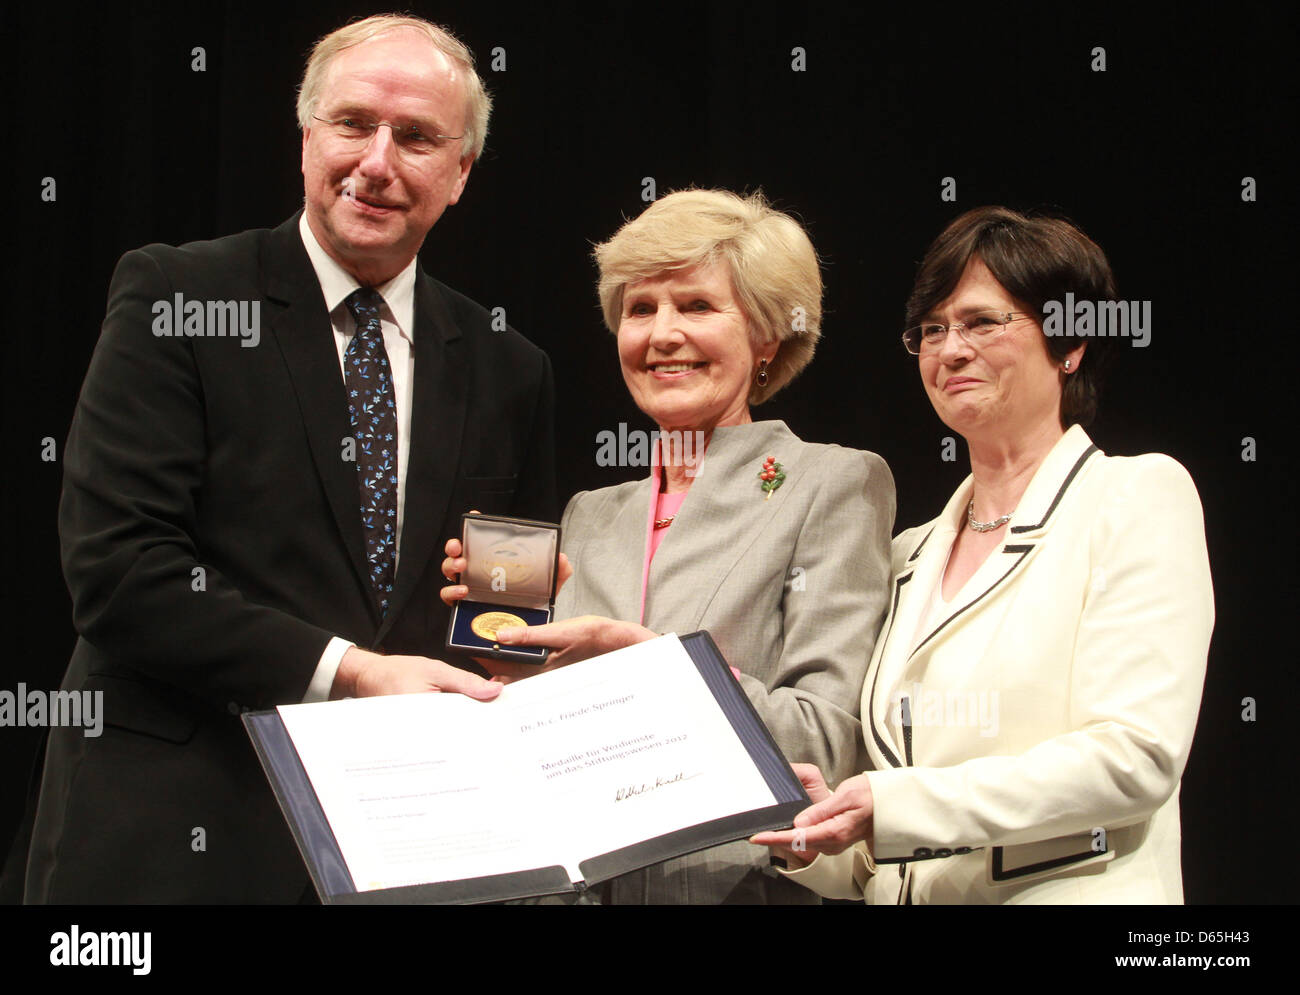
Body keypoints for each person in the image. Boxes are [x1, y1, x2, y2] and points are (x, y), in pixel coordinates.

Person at [20, 14, 556, 903]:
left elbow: (498, 617)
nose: (378, 162)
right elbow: (119, 576)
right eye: (353, 124)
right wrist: (353, 670)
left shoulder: (511, 366)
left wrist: (516, 636)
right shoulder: (178, 296)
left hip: (406, 848)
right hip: (177, 846)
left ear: (461, 173)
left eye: (417, 137)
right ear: (306, 138)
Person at [443, 189, 896, 903]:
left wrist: (655, 666)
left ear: (769, 335)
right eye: (640, 308)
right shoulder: (589, 514)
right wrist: (506, 660)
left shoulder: (830, 482)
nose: (661, 333)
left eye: (696, 305)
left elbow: (826, 742)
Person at [752, 206, 1213, 903]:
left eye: (981, 322)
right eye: (930, 329)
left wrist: (896, 806)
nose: (950, 349)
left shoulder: (1133, 498)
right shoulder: (909, 555)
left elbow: (1134, 756)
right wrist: (817, 829)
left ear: (1070, 344)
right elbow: (905, 840)